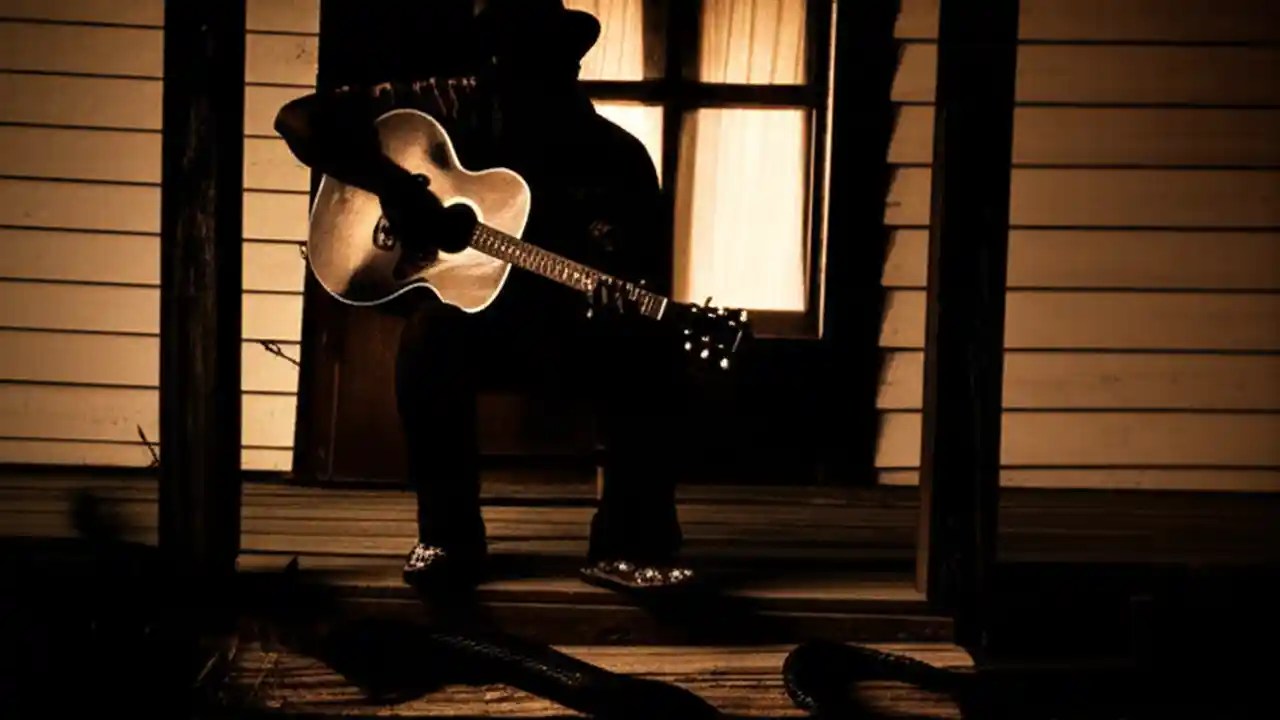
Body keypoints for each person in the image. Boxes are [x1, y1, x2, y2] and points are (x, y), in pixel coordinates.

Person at [274, 0, 698, 594]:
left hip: (565, 329)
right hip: (477, 328)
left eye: (552, 63)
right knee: (429, 335)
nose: (519, 76)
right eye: (508, 59)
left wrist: (622, 295)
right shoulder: (453, 110)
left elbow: (643, 275)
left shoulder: (615, 159)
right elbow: (299, 120)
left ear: (570, 67)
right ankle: (449, 538)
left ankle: (628, 545)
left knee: (648, 349)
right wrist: (399, 190)